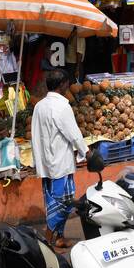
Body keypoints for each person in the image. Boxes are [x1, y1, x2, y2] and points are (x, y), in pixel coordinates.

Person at [29, 69, 90, 249]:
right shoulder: (62, 106)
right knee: (63, 202)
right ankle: (48, 237)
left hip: (47, 164)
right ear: (62, 84)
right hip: (60, 164)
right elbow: (74, 135)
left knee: (52, 201)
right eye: (67, 83)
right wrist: (87, 153)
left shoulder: (40, 106)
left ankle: (59, 237)